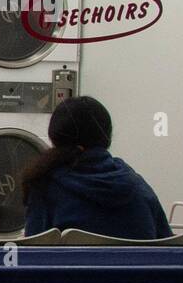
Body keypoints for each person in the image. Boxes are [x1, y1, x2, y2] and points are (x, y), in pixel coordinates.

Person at [22, 95, 172, 239]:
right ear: (107, 135)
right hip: (138, 265)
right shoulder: (137, 184)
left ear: (55, 137)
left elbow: (33, 254)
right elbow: (168, 244)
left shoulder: (45, 186)